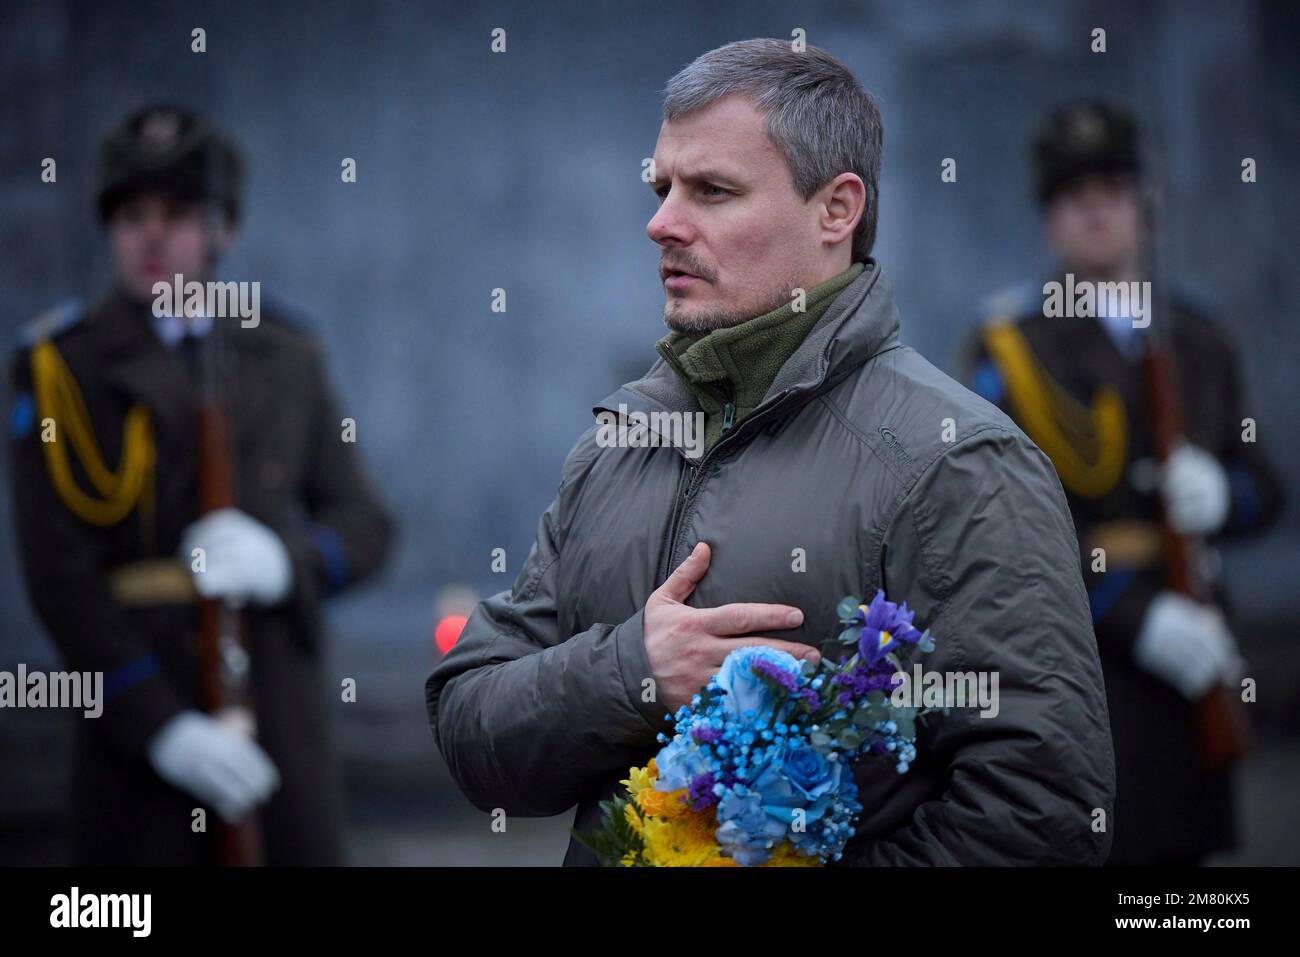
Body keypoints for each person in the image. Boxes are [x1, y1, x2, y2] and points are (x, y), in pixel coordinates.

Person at [427, 39, 1115, 866]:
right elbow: (471, 723)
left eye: (712, 190)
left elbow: (1042, 810)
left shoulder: (960, 460)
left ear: (837, 210)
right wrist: (634, 671)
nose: (660, 222)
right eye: (662, 187)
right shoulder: (625, 437)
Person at [7, 104, 394, 864]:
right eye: (131, 214)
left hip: (277, 704)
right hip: (136, 714)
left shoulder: (285, 353)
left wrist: (287, 561)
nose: (151, 235)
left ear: (226, 231)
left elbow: (366, 526)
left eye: (179, 213)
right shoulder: (60, 367)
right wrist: (160, 725)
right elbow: (58, 576)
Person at [961, 100, 1284, 865]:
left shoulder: (1197, 336)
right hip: (1085, 649)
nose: (1097, 210)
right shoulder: (1012, 346)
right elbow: (1001, 518)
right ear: (1050, 221)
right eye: (1075, 196)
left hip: (1200, 633)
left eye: (1113, 188)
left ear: (1147, 209)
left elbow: (1268, 488)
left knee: (1186, 869)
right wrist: (1131, 615)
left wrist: (1223, 494)